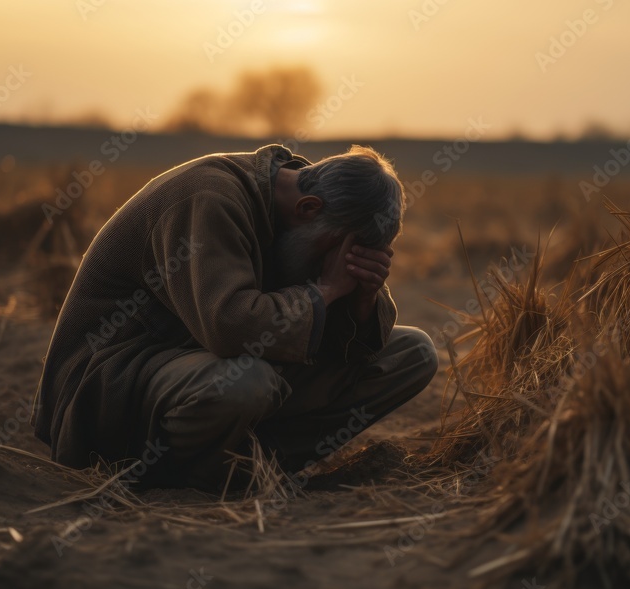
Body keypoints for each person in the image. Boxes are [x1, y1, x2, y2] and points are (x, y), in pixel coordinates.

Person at [31, 144, 438, 489]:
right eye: (337, 251)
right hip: (117, 379)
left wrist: (362, 297)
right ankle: (185, 478)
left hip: (199, 364)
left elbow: (327, 330)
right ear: (309, 207)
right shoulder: (209, 197)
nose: (336, 265)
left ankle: (249, 467)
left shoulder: (302, 217)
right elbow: (229, 325)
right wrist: (327, 290)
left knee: (413, 353)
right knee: (245, 383)